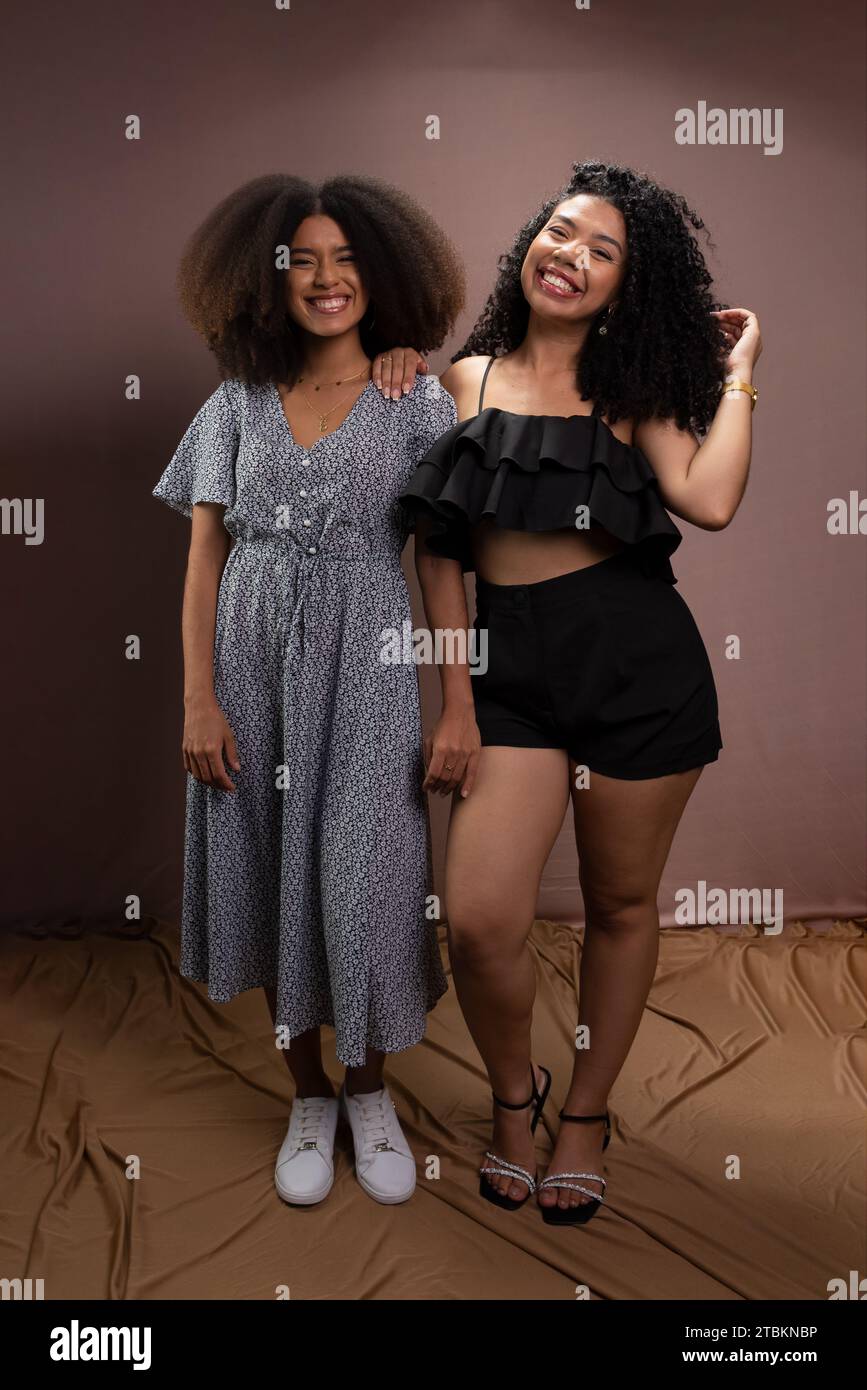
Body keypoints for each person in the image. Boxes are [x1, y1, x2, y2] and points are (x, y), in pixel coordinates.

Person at [397, 159, 760, 1225]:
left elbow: (712, 498)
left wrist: (745, 366)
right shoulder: (460, 383)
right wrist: (456, 704)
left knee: (621, 903)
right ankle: (518, 1099)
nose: (575, 257)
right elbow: (439, 554)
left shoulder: (633, 393)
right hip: (508, 676)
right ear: (531, 242)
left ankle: (587, 1116)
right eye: (564, 233)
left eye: (605, 253)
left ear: (622, 289)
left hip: (638, 664)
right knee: (478, 918)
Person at [152, 173, 464, 1207]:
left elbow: (441, 561)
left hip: (367, 666)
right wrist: (199, 699)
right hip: (248, 661)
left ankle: (370, 1090)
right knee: (268, 870)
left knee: (364, 875)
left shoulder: (416, 396)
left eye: (348, 260)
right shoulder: (234, 402)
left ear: (384, 274)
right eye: (303, 261)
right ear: (267, 278)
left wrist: (456, 704)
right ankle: (307, 1094)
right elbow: (204, 560)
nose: (327, 279)